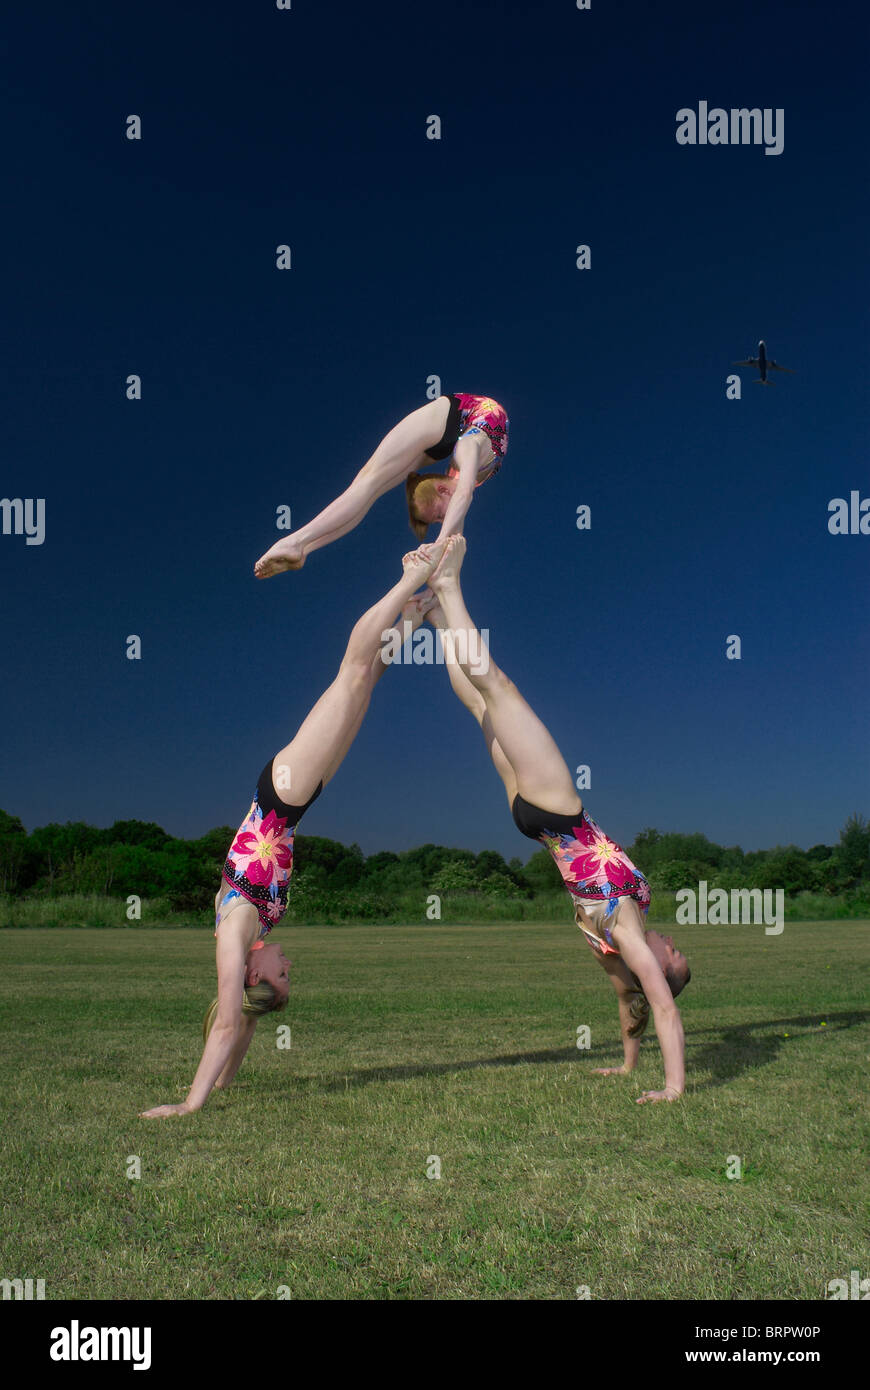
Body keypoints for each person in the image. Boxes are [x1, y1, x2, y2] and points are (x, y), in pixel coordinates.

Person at [139, 543, 447, 1118]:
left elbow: (229, 1022)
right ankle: (414, 613)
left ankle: (409, 579)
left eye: (281, 975)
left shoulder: (235, 938)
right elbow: (245, 1027)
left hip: (280, 793)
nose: (289, 967)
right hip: (299, 804)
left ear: (254, 972)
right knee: (363, 688)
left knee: (349, 674)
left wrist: (191, 1104)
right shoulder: (253, 934)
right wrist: (229, 1080)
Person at [424, 536, 690, 1104]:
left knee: (498, 689)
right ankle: (433, 620)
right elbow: (634, 1006)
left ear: (663, 968)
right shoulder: (618, 957)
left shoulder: (629, 941)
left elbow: (660, 1007)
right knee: (481, 707)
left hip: (561, 814)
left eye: (678, 955)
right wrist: (626, 1066)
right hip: (534, 821)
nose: (674, 943)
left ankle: (448, 590)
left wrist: (672, 1087)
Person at [254, 393, 508, 577]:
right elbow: (463, 498)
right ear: (442, 489)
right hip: (451, 414)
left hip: (465, 429)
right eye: (440, 514)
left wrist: (442, 571)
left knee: (370, 487)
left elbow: (457, 531)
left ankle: (303, 547)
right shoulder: (468, 450)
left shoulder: (469, 470)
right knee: (368, 480)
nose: (443, 519)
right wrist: (439, 542)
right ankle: (299, 542)